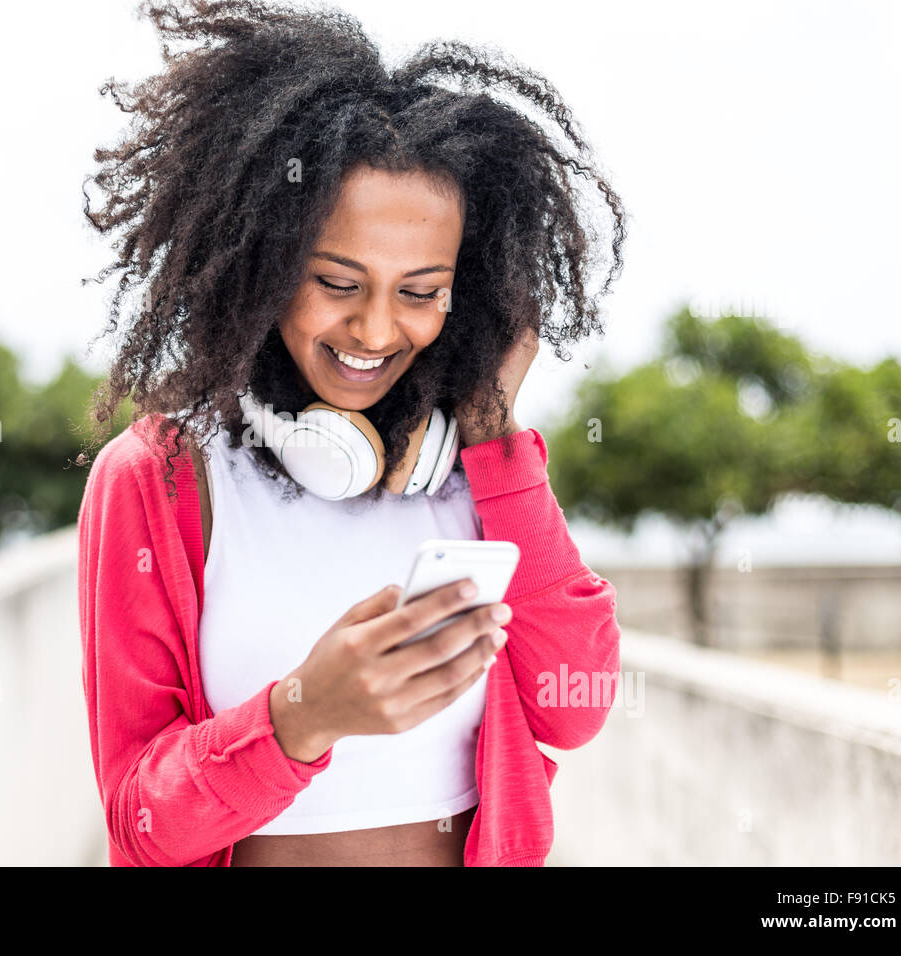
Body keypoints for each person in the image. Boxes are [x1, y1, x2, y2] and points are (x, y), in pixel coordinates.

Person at [76, 0, 626, 866]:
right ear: (259, 260)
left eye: (420, 292)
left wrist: (496, 439)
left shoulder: (470, 471)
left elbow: (578, 704)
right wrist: (304, 714)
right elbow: (139, 824)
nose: (375, 331)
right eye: (337, 280)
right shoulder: (161, 478)